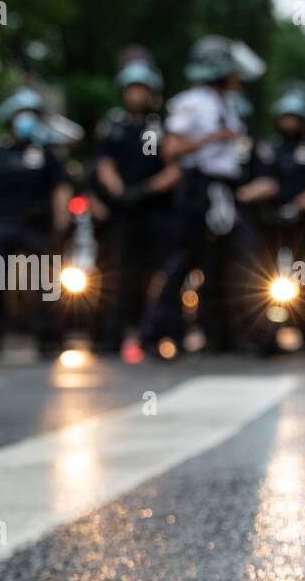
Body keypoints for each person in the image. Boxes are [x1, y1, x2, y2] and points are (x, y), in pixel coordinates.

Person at [142, 35, 262, 355]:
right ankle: (154, 333)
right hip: (199, 188)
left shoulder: (225, 103)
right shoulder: (191, 102)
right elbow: (172, 149)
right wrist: (212, 138)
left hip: (224, 189)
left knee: (228, 261)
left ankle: (226, 336)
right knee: (183, 259)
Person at [0, 86, 71, 357]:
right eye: (22, 114)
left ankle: (48, 339)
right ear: (10, 118)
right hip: (2, 224)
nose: (26, 119)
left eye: (31, 114)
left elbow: (60, 189)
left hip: (37, 225)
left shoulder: (48, 153)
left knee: (44, 284)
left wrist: (61, 223)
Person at [94, 59, 179, 355]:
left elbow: (174, 168)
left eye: (141, 89)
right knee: (117, 275)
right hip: (124, 212)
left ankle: (155, 335)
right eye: (131, 89)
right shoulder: (114, 125)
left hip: (156, 211)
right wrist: (121, 192)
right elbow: (105, 165)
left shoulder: (163, 126)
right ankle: (111, 335)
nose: (136, 95)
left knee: (158, 274)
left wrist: (146, 190)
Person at [240, 87, 305, 350]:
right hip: (269, 224)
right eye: (286, 118)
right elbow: (259, 179)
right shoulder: (268, 148)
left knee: (304, 276)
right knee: (263, 278)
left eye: (294, 118)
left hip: (303, 225)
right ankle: (266, 334)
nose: (289, 123)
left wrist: (298, 206)